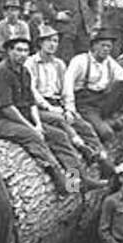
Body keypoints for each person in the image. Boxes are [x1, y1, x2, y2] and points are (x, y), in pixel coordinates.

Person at [0, 35, 79, 194]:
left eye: (26, 51)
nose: (22, 54)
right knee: (32, 136)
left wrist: (38, 124)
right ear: (9, 51)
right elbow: (7, 108)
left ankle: (75, 182)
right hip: (0, 121)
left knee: (60, 136)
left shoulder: (24, 72)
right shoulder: (1, 73)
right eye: (18, 50)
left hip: (23, 118)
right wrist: (32, 128)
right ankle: (58, 178)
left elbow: (31, 103)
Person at [26, 24, 109, 170]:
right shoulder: (30, 64)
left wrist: (69, 109)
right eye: (49, 41)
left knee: (86, 127)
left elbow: (66, 90)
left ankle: (105, 164)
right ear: (40, 43)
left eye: (56, 41)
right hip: (38, 109)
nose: (53, 45)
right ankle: (74, 184)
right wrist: (49, 107)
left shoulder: (59, 64)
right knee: (63, 140)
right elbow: (31, 91)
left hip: (58, 106)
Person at [63, 29, 123, 143]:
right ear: (94, 46)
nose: (106, 49)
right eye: (103, 45)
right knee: (106, 133)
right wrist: (69, 108)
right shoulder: (80, 61)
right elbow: (68, 83)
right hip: (86, 106)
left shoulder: (109, 62)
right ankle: (106, 127)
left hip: (103, 102)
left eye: (109, 47)